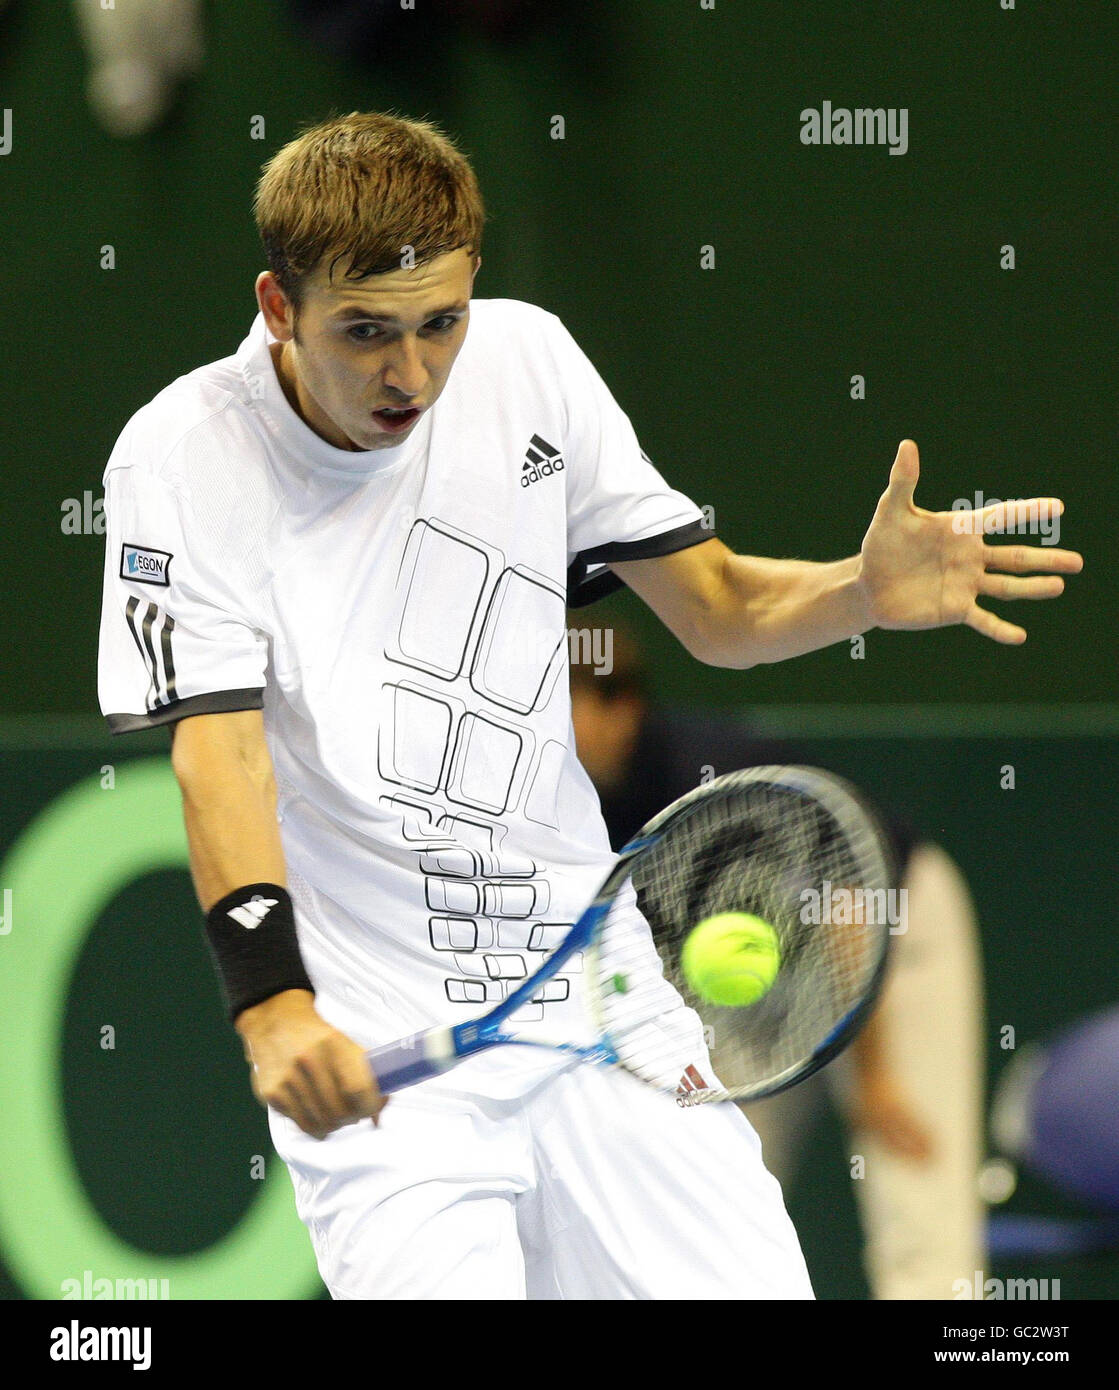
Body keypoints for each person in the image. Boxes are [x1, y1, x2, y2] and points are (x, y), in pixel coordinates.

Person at [96, 111, 1080, 1300]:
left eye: (439, 324)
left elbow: (716, 608)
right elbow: (224, 761)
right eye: (365, 333)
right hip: (388, 1068)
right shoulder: (180, 457)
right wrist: (275, 1011)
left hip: (601, 1006)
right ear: (276, 306)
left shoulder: (531, 365)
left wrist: (857, 592)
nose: (411, 374)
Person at [570, 632, 988, 1299]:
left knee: (915, 1188)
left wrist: (873, 1077)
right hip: (749, 985)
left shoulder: (714, 771)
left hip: (886, 934)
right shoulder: (567, 799)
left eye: (556, 704)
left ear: (617, 709)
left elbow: (848, 904)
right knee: (707, 1186)